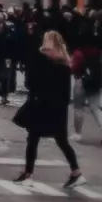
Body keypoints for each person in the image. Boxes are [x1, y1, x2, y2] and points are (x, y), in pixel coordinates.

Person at [12, 30, 83, 188]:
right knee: (60, 140)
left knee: (33, 138)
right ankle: (76, 171)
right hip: (57, 109)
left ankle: (29, 174)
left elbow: (31, 82)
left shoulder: (41, 59)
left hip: (41, 105)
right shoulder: (64, 63)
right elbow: (65, 93)